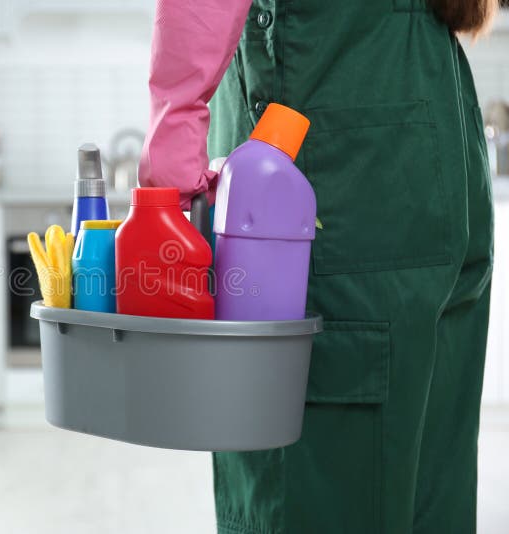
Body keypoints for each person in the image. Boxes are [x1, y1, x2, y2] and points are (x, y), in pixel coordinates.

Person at [138, 0, 498, 532]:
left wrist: (169, 164)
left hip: (326, 162)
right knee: (424, 480)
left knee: (313, 483)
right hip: (430, 153)